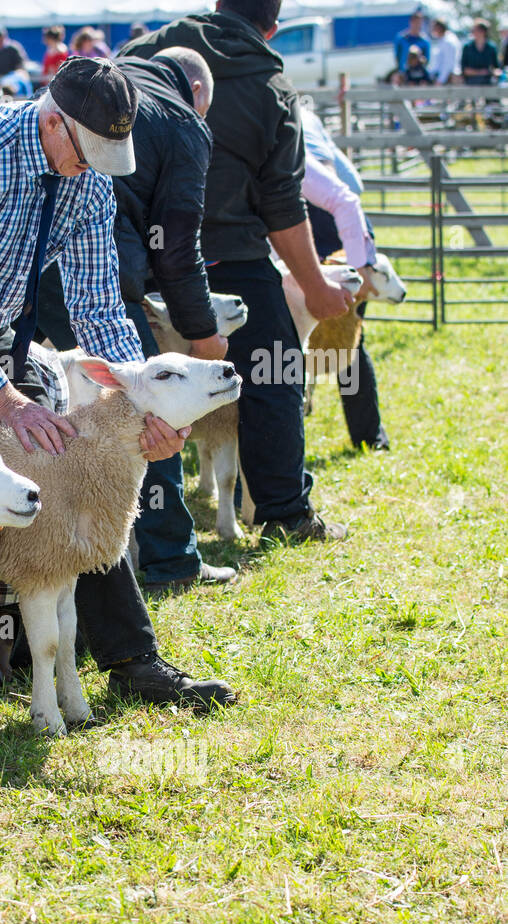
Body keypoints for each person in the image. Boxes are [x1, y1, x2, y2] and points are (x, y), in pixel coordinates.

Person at [0, 57, 236, 747]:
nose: (93, 167)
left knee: (75, 463)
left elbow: (99, 304)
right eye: (87, 151)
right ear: (52, 122)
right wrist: (5, 401)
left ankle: (132, 660)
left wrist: (139, 408)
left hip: (0, 327)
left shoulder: (86, 180)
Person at [122, 0, 356, 544]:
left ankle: (145, 530)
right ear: (271, 26)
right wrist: (315, 285)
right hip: (234, 255)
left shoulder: (142, 52)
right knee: (275, 375)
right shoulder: (271, 84)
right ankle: (282, 512)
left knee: (132, 382)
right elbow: (282, 201)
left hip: (143, 255)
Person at [30, 48, 234, 593]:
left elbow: (110, 277)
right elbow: (178, 246)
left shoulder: (106, 95)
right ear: (197, 94)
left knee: (93, 405)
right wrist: (201, 332)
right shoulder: (184, 124)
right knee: (137, 406)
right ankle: (166, 558)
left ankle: (74, 563)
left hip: (43, 277)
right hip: (63, 284)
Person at [301, 108, 388, 450]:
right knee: (347, 340)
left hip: (318, 225)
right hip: (343, 230)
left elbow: (346, 190)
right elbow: (353, 182)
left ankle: (291, 431)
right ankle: (371, 437)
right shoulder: (309, 117)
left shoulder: (277, 121)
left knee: (296, 339)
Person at [461, 19, 499, 85]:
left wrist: (494, 72)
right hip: (470, 82)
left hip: (488, 81)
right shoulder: (467, 47)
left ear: (484, 32)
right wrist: (481, 72)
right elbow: (465, 70)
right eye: (473, 31)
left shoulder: (491, 47)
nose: (474, 33)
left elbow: (496, 68)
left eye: (477, 30)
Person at [393, 10, 429, 74]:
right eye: (416, 22)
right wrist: (400, 71)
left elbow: (427, 59)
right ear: (411, 22)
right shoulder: (401, 38)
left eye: (420, 23)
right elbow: (397, 56)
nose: (418, 25)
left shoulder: (425, 40)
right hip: (404, 73)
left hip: (418, 74)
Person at [427, 19, 460, 85]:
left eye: (433, 27)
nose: (432, 29)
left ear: (439, 28)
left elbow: (448, 64)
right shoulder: (442, 39)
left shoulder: (448, 41)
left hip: (447, 79)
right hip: (442, 78)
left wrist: (440, 80)